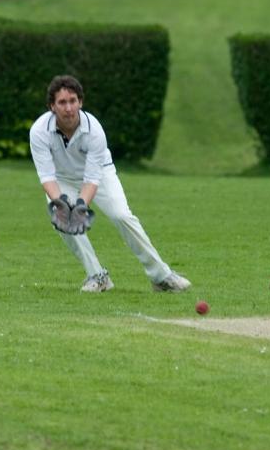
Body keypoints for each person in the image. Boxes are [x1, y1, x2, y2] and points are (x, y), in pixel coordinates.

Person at [28, 75, 191, 293]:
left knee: (121, 215)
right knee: (62, 220)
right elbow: (46, 176)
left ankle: (161, 276)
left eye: (73, 101)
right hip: (61, 179)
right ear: (52, 106)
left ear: (81, 102)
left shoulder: (94, 130)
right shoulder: (39, 131)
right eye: (62, 102)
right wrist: (63, 206)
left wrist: (80, 207)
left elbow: (92, 179)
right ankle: (97, 276)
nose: (68, 108)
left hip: (99, 175)